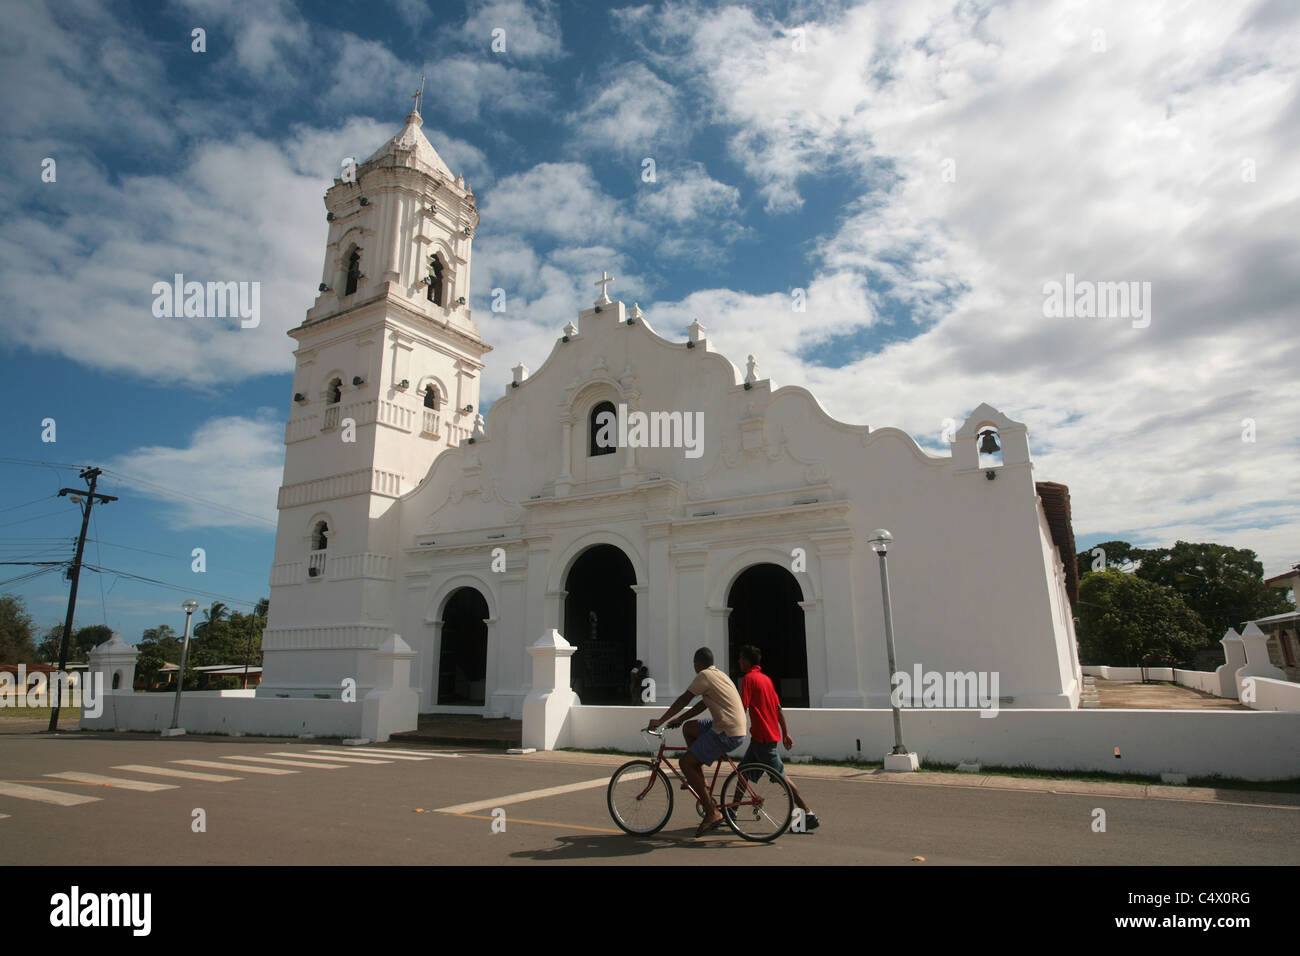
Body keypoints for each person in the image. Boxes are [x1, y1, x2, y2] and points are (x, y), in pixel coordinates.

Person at [648, 647, 748, 837]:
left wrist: (661, 720)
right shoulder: (718, 675)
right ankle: (701, 781)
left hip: (727, 730)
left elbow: (685, 698)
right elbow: (703, 703)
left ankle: (712, 813)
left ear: (697, 663)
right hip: (733, 723)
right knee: (689, 728)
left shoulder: (703, 676)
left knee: (685, 762)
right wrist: (680, 719)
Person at [737, 645, 819, 831]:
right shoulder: (766, 680)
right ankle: (731, 812)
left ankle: (808, 813)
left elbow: (743, 707)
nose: (739, 662)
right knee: (742, 772)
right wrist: (785, 733)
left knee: (781, 777)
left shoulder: (749, 679)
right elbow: (778, 709)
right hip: (765, 736)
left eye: (741, 658)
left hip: (763, 739)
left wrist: (734, 728)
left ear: (748, 661)